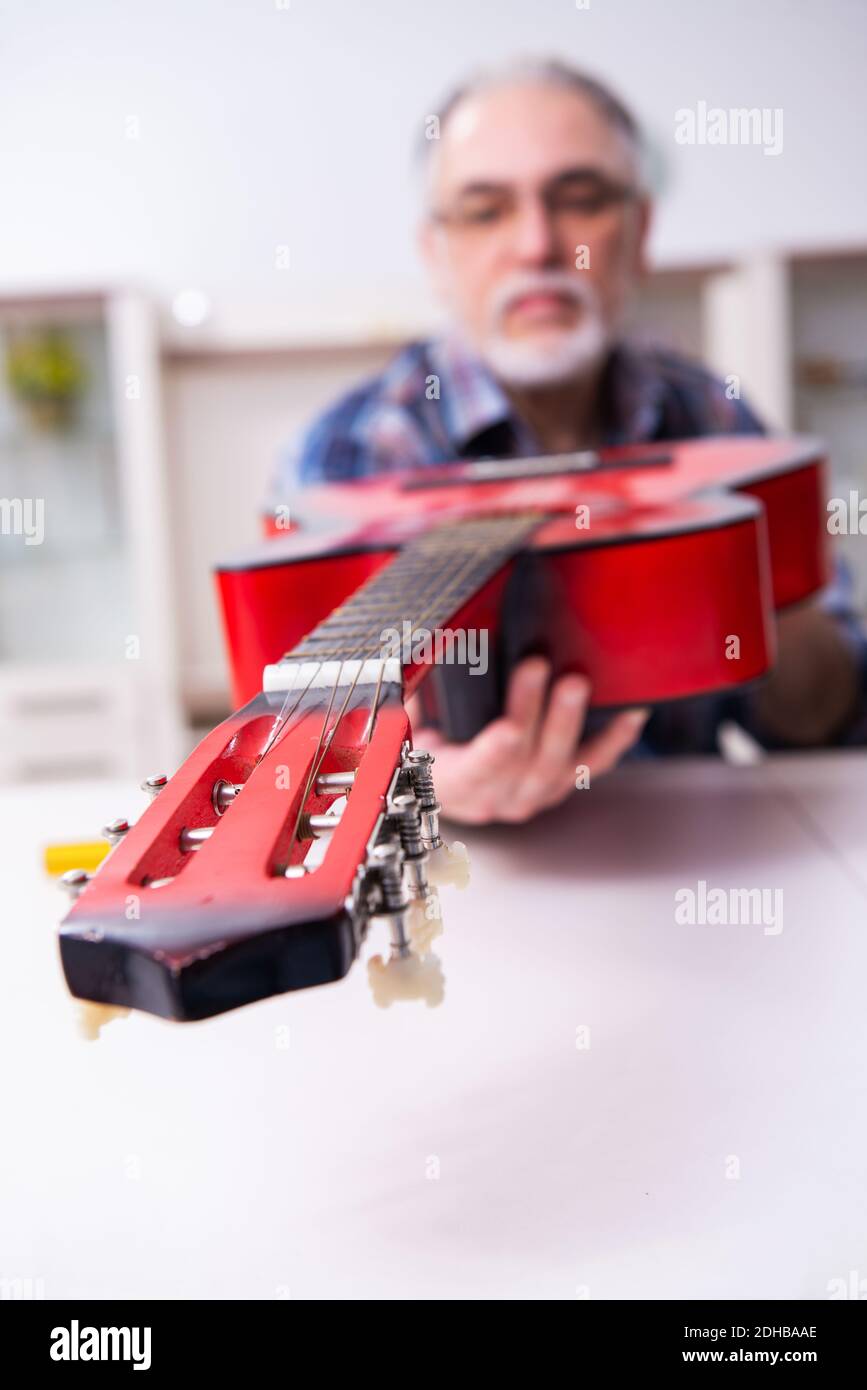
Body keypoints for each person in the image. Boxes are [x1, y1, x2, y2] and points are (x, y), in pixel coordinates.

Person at [269, 58, 866, 825]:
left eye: (580, 200)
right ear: (436, 254)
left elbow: (827, 720)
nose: (538, 245)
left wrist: (773, 598)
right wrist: (421, 787)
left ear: (640, 231)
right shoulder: (343, 452)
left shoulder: (715, 421)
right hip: (454, 898)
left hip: (694, 859)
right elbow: (305, 763)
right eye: (485, 211)